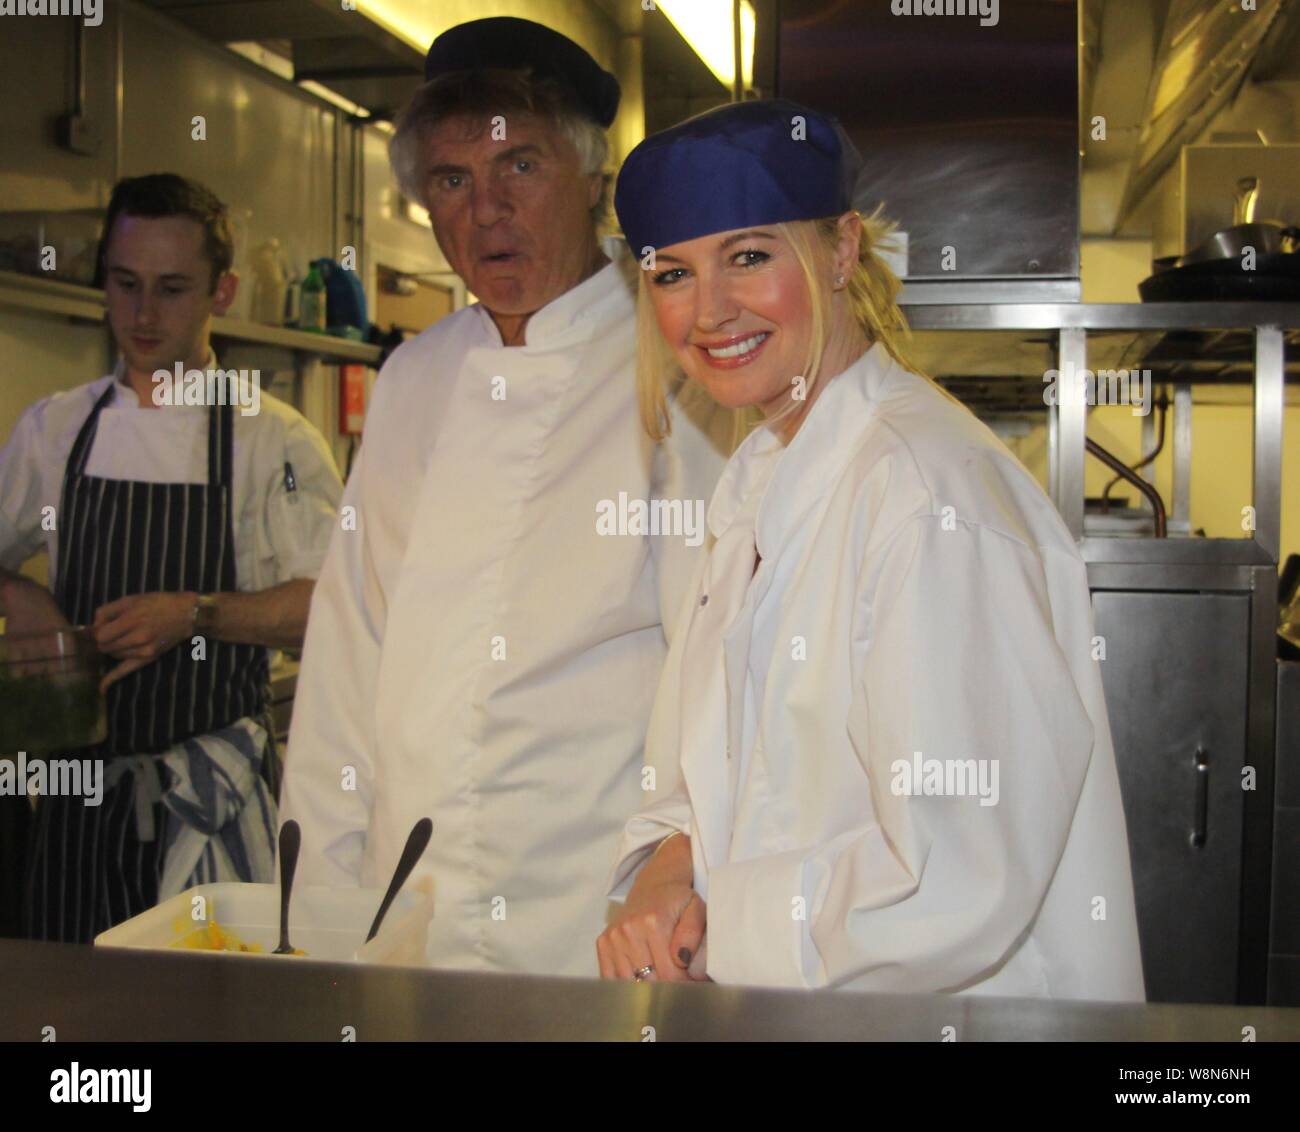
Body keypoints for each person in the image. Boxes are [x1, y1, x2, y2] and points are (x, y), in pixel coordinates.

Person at [597, 100, 1146, 999]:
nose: (711, 311)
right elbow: (724, 777)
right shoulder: (760, 484)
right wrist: (667, 868)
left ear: (843, 250)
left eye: (749, 257)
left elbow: (953, 876)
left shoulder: (927, 494)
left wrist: (716, 921)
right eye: (671, 275)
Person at [278, 18, 729, 975]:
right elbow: (348, 653)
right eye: (451, 181)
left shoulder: (677, 361)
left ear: (592, 179)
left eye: (519, 167)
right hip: (405, 918)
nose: (486, 212)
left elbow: (717, 660)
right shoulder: (413, 377)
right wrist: (314, 906)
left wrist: (684, 871)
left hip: (594, 917)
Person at [0, 173, 343, 942]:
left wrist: (195, 615)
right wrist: (18, 597)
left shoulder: (271, 438)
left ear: (222, 292)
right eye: (125, 285)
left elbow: (334, 609)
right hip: (75, 801)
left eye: (172, 289)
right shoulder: (55, 430)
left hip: (210, 797)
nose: (144, 314)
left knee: (213, 1013)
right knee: (73, 1014)